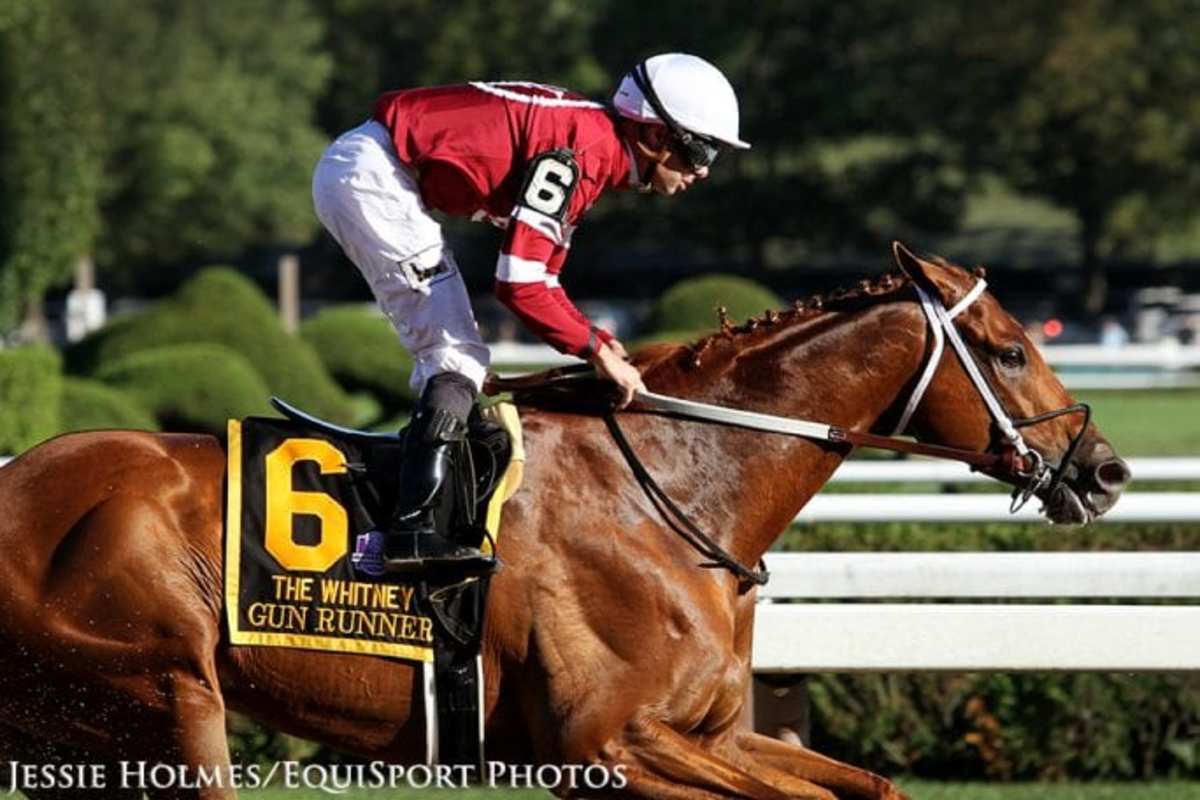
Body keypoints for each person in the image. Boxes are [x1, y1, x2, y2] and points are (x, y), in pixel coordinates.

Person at [312, 53, 749, 574]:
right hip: (373, 178)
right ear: (653, 136)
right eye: (698, 149)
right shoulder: (577, 154)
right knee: (454, 356)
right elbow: (516, 282)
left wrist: (602, 345)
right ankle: (411, 531)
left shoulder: (591, 147)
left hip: (374, 169)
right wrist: (593, 349)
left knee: (458, 359)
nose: (701, 169)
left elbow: (543, 280)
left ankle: (430, 505)